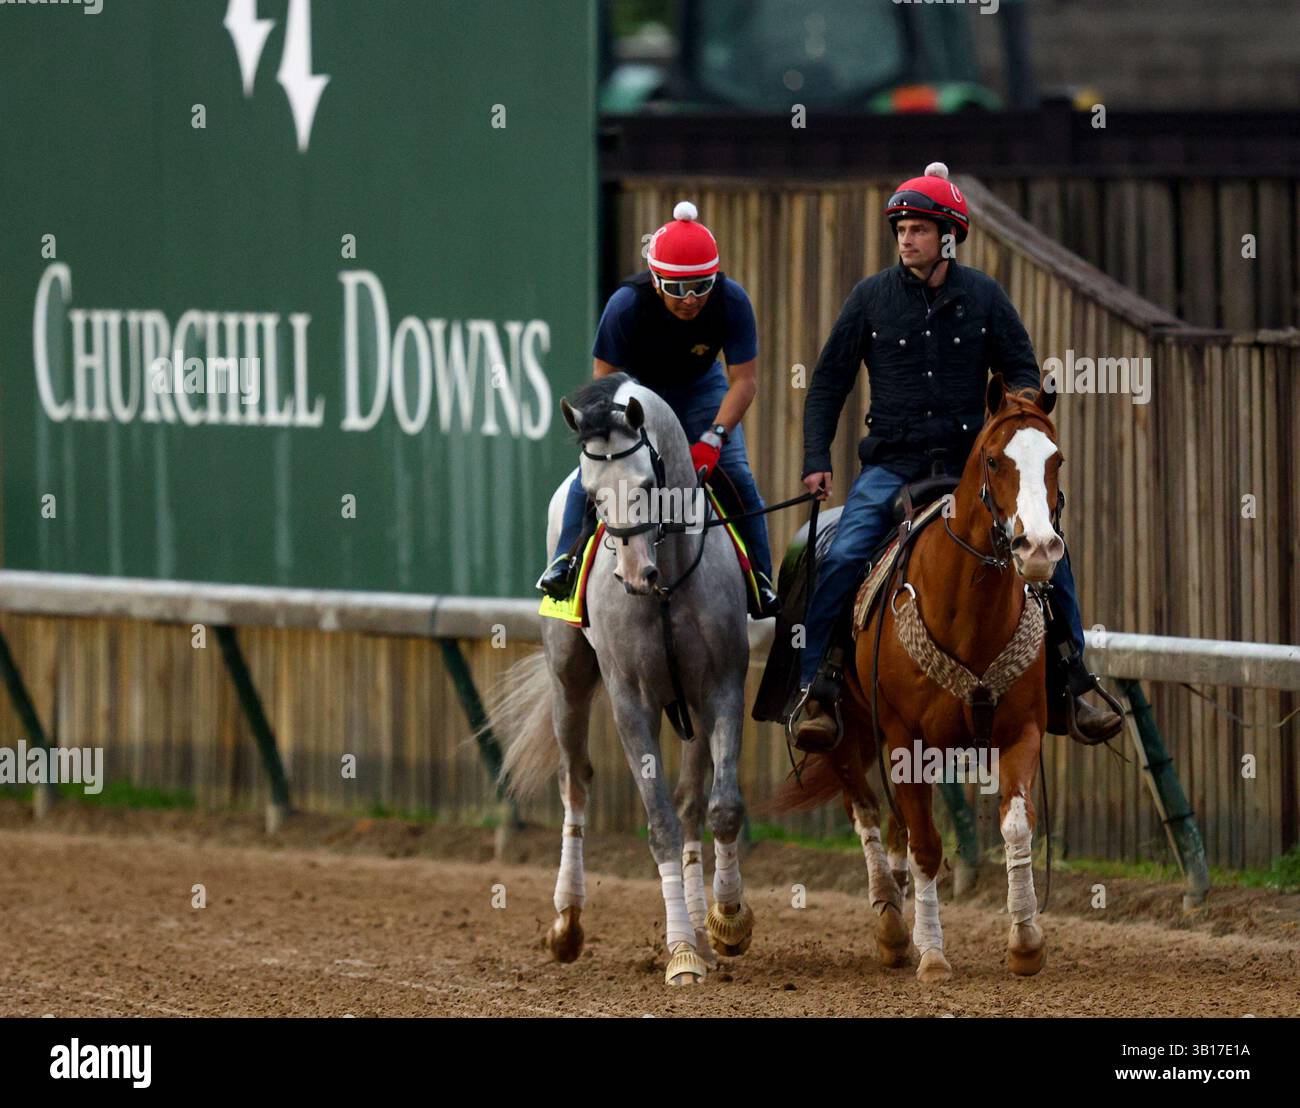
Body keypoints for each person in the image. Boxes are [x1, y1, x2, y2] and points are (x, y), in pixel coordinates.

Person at [791, 162, 1123, 750]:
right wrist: (817, 457)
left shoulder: (985, 297)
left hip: (970, 472)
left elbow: (1021, 368)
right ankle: (818, 688)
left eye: (918, 229)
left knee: (1051, 552)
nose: (905, 239)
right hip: (891, 467)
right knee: (842, 556)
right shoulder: (870, 298)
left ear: (949, 236)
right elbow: (828, 383)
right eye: (901, 230)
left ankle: (1074, 683)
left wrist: (1018, 414)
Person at [536, 201, 780, 618]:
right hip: (635, 391)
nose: (691, 300)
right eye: (678, 288)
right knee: (599, 470)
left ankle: (760, 578)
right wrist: (614, 437)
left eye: (702, 286)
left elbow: (744, 381)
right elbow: (604, 381)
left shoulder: (731, 301)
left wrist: (715, 437)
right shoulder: (625, 306)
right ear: (655, 280)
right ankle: (564, 561)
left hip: (701, 388)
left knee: (737, 475)